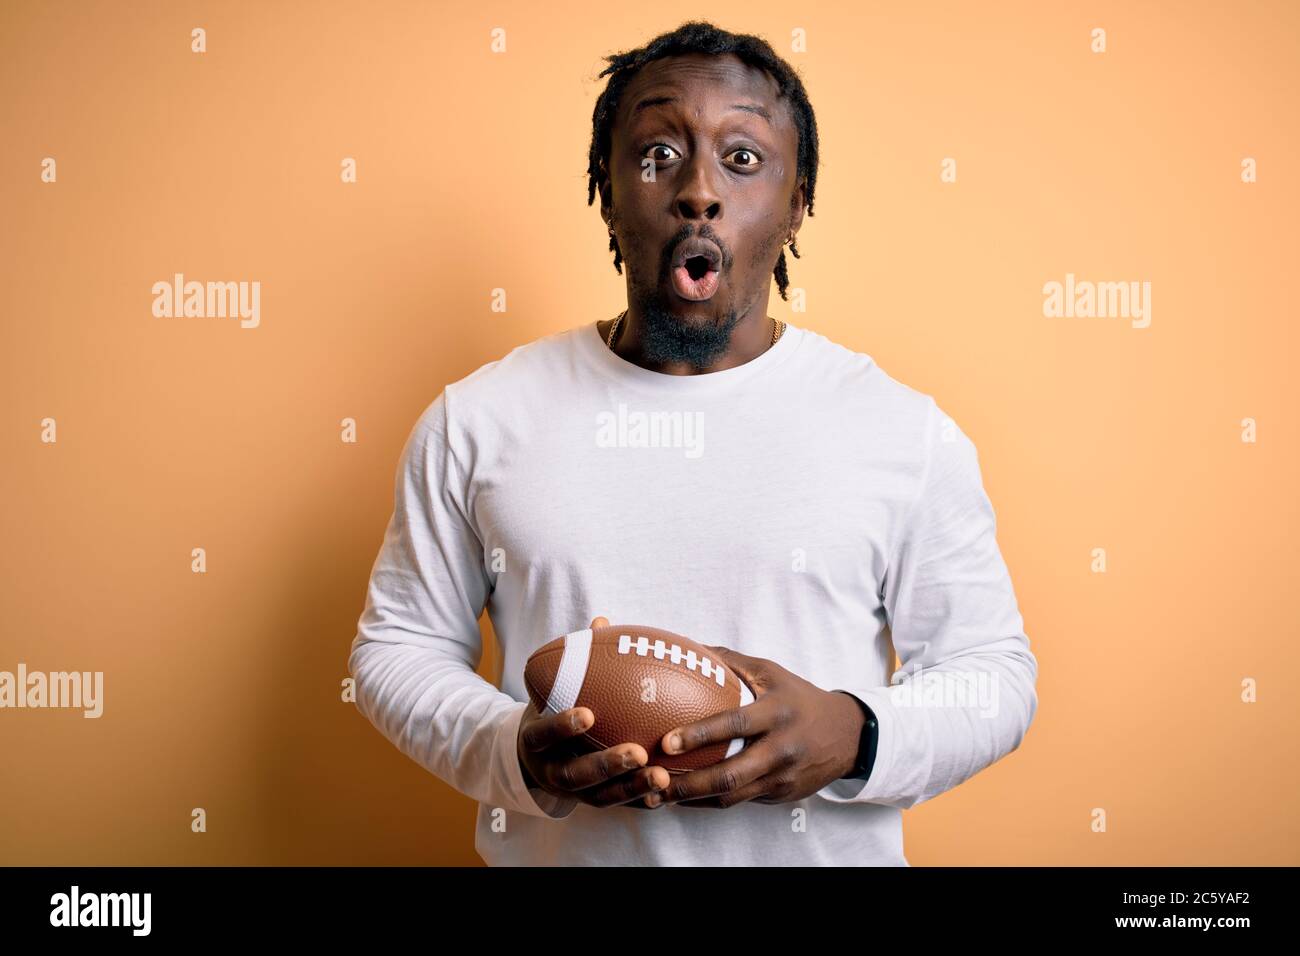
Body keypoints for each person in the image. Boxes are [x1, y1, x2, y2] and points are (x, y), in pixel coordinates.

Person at [348, 20, 1038, 866]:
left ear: (798, 201)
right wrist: (514, 753)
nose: (699, 190)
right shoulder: (479, 420)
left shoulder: (902, 432)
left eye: (742, 158)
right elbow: (396, 650)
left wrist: (855, 733)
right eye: (659, 154)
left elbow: (994, 676)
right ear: (605, 188)